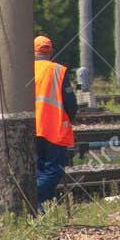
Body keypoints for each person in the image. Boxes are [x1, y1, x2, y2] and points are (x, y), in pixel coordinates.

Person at [33, 34, 77, 205]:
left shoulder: (23, 70)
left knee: (38, 169)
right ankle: (34, 199)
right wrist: (69, 119)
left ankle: (39, 208)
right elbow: (70, 102)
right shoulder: (58, 70)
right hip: (53, 128)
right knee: (54, 170)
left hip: (30, 128)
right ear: (50, 52)